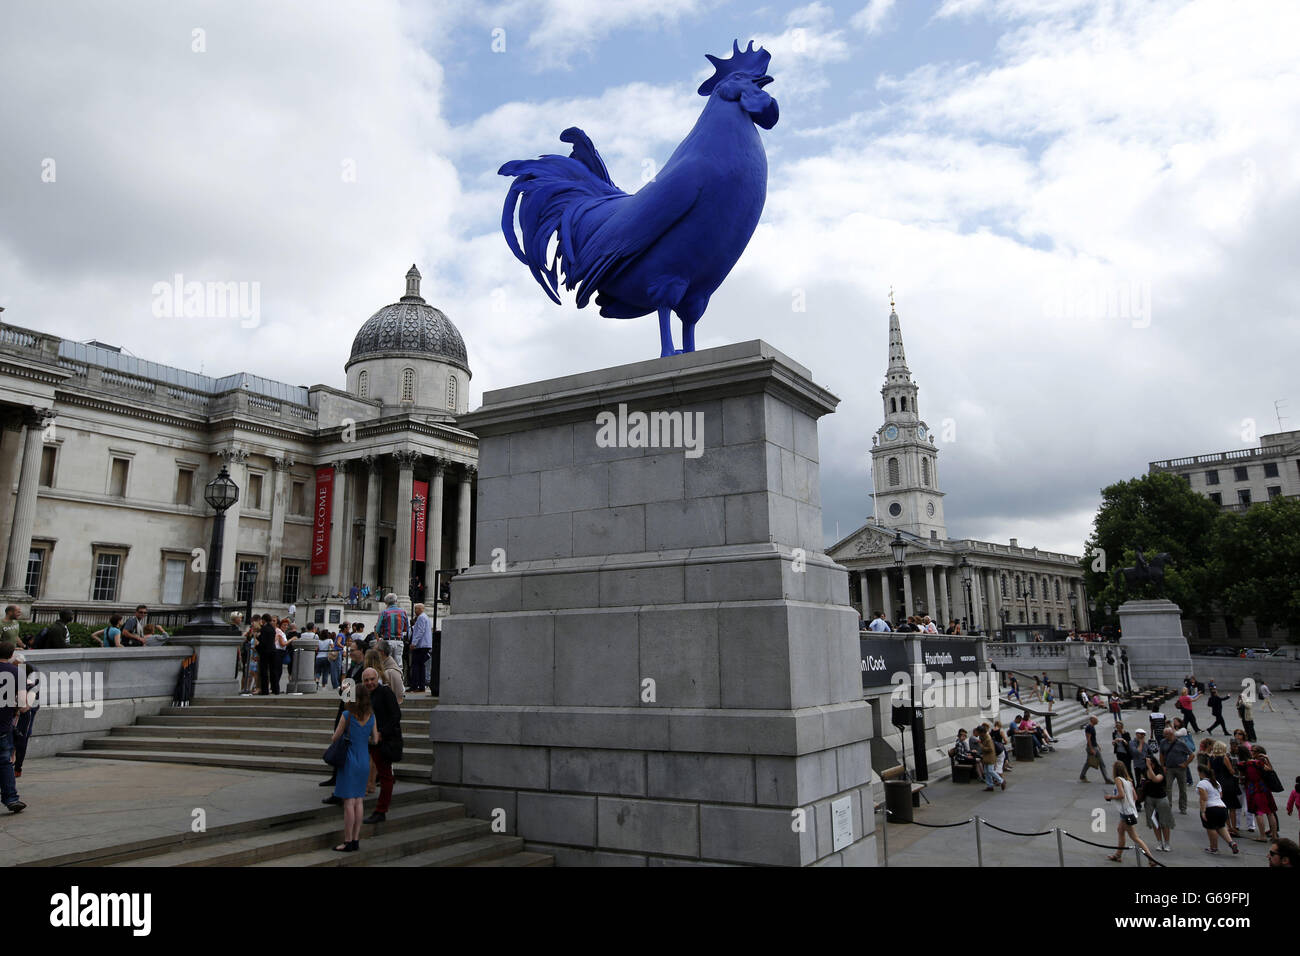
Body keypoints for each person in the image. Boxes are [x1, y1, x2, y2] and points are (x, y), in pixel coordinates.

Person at [329, 680, 377, 852]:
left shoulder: (347, 715)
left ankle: (348, 840)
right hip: (364, 758)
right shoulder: (372, 716)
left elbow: (335, 738)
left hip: (349, 759)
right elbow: (375, 739)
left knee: (348, 802)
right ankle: (356, 839)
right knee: (359, 800)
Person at [321, 644, 368, 797]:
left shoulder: (365, 669)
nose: (351, 653)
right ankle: (335, 776)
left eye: (353, 650)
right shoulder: (352, 668)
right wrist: (344, 689)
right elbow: (346, 693)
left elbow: (362, 693)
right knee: (339, 744)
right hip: (345, 709)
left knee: (346, 747)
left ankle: (343, 784)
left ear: (361, 651)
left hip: (355, 714)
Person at [361, 667, 402, 824]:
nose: (370, 683)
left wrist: (382, 733)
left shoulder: (385, 692)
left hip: (384, 741)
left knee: (385, 775)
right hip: (370, 739)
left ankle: (381, 810)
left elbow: (396, 715)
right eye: (366, 680)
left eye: (372, 679)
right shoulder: (365, 694)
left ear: (377, 678)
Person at [1106, 762, 1155, 865]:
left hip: (1126, 813)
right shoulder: (1129, 781)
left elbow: (1121, 795)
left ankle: (1151, 858)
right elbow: (1135, 797)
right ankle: (1118, 855)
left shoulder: (1118, 780)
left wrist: (1111, 797)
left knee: (1135, 837)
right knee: (1120, 830)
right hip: (1129, 811)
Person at [0, 642, 29, 812]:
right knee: (4, 763)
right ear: (12, 655)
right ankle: (11, 799)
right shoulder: (17, 673)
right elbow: (24, 705)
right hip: (3, 726)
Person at [1240, 745, 1280, 843]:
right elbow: (1270, 770)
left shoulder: (1246, 764)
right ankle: (1274, 835)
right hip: (1264, 788)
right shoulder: (1261, 762)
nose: (1251, 752)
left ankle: (1262, 836)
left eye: (1253, 750)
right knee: (1270, 812)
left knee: (1259, 813)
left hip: (1254, 789)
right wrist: (1267, 759)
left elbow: (1243, 776)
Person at [1197, 764, 1238, 854]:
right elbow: (1220, 795)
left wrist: (1203, 812)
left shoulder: (1201, 783)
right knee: (1221, 826)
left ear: (1201, 773)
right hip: (1222, 808)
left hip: (1211, 809)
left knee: (1211, 828)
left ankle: (1213, 848)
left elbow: (1204, 798)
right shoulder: (1216, 782)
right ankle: (1232, 843)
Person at [10, 652, 38, 779]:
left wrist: (16, 706)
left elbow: (25, 708)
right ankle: (14, 763)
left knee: (21, 738)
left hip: (23, 716)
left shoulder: (29, 685)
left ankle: (17, 767)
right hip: (17, 716)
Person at [1209, 740, 1243, 838]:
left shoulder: (1211, 758)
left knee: (1223, 806)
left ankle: (1228, 826)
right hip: (1228, 784)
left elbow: (1210, 771)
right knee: (1232, 807)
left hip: (1217, 784)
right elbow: (1231, 771)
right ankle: (1234, 828)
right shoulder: (1224, 758)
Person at [1143, 753, 1175, 851]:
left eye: (1150, 763)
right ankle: (1159, 842)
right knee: (1154, 822)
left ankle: (1167, 843)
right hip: (1149, 798)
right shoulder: (1144, 771)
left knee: (1164, 822)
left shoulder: (1159, 770)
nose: (1148, 765)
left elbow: (1156, 779)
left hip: (1161, 798)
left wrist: (1149, 767)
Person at [1159, 726, 1193, 814]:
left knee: (1183, 789)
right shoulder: (1163, 742)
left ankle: (1183, 808)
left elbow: (1192, 755)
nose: (1164, 736)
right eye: (1164, 734)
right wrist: (1163, 766)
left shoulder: (1181, 743)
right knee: (1168, 788)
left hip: (1180, 769)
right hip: (1169, 768)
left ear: (1171, 734)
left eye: (1166, 734)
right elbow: (1161, 755)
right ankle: (1168, 806)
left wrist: (1185, 764)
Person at [375, 593, 409, 676]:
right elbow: (406, 629)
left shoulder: (384, 613)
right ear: (396, 601)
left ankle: (387, 682)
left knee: (387, 663)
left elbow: (377, 629)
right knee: (398, 664)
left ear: (386, 602)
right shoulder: (403, 612)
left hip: (387, 641)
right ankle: (399, 683)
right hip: (399, 641)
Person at [1079, 716, 1112, 783]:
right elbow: (1088, 739)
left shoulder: (1092, 727)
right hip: (1092, 748)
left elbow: (1093, 738)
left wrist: (1097, 745)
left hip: (1094, 747)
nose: (1098, 721)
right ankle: (1107, 779)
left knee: (1090, 763)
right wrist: (1091, 749)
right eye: (1096, 720)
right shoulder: (1089, 727)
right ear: (1092, 720)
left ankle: (1082, 776)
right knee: (1095, 763)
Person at [409, 603, 432, 693]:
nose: (415, 611)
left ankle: (414, 685)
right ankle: (421, 686)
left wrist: (413, 643)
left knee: (415, 665)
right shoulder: (425, 617)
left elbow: (420, 631)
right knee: (421, 665)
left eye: (416, 609)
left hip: (421, 645)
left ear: (420, 609)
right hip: (425, 644)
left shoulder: (421, 618)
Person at [257, 614, 281, 695]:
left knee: (264, 671)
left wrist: (258, 643)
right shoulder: (272, 628)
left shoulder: (264, 629)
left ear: (264, 620)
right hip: (273, 651)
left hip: (265, 652)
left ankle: (265, 690)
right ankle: (276, 689)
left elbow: (263, 641)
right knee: (273, 671)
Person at [975, 726, 1004, 791]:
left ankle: (1001, 781)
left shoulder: (988, 738)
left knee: (990, 770)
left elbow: (990, 749)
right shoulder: (982, 737)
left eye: (979, 732)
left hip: (990, 757)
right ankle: (990, 785)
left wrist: (981, 745)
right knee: (986, 771)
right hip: (986, 757)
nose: (978, 734)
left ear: (982, 732)